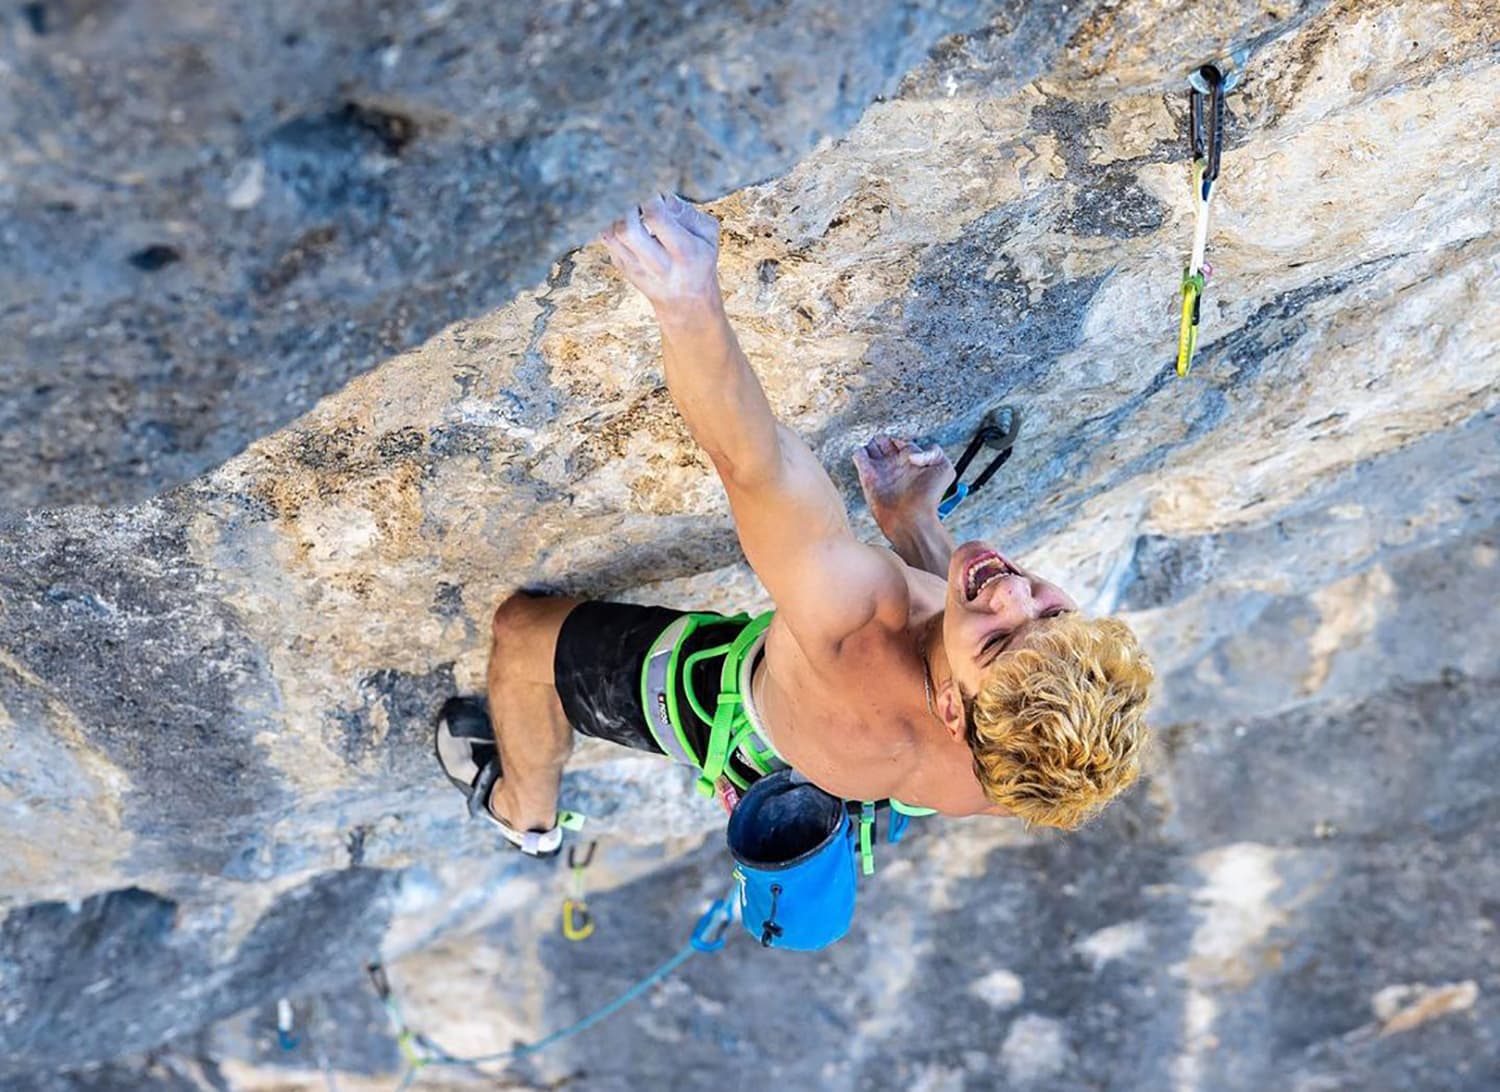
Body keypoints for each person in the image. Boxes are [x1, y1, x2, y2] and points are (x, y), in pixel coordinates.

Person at [436, 194, 1154, 857]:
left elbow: (755, 466)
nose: (1011, 594)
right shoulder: (1020, 768)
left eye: (997, 640)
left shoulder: (855, 617)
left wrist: (687, 301)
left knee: (521, 638)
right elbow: (965, 656)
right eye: (1052, 609)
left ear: (949, 709)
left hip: (744, 720)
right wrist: (913, 523)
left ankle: (524, 813)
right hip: (856, 766)